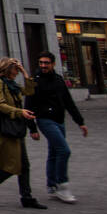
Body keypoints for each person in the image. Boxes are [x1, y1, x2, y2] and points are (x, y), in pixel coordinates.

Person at [0, 58, 47, 210]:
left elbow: (30, 91)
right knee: (14, 165)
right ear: (7, 69)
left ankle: (25, 196)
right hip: (7, 130)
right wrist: (19, 111)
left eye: (17, 69)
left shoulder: (13, 85)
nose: (16, 72)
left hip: (17, 128)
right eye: (15, 69)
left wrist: (24, 72)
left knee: (23, 165)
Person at [25, 50, 87, 203]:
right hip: (45, 120)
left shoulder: (59, 80)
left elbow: (69, 102)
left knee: (53, 152)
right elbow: (28, 105)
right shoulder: (32, 81)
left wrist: (80, 122)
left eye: (46, 63)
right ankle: (62, 186)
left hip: (59, 120)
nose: (43, 65)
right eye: (41, 63)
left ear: (53, 64)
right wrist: (32, 128)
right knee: (63, 150)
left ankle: (51, 186)